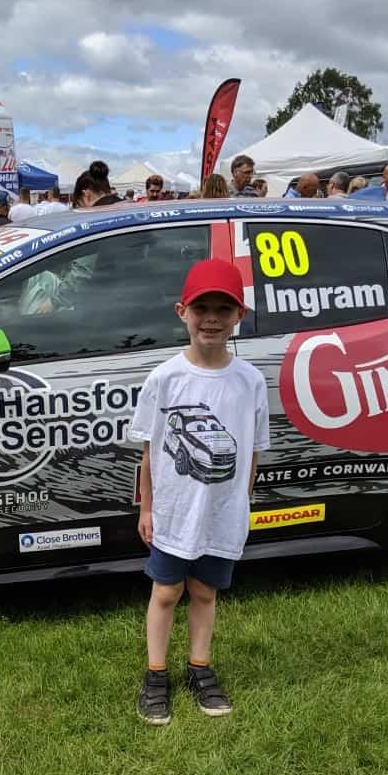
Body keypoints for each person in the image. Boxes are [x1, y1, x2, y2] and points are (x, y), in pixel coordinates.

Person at [129, 257, 269, 725]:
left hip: (222, 513)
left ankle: (200, 667)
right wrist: (147, 509)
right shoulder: (165, 379)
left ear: (239, 317)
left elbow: (250, 452)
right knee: (166, 591)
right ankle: (155, 674)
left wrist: (241, 504)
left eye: (223, 309)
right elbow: (149, 453)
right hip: (174, 511)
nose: (211, 317)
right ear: (181, 312)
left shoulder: (250, 382)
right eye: (201, 307)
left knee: (205, 592)